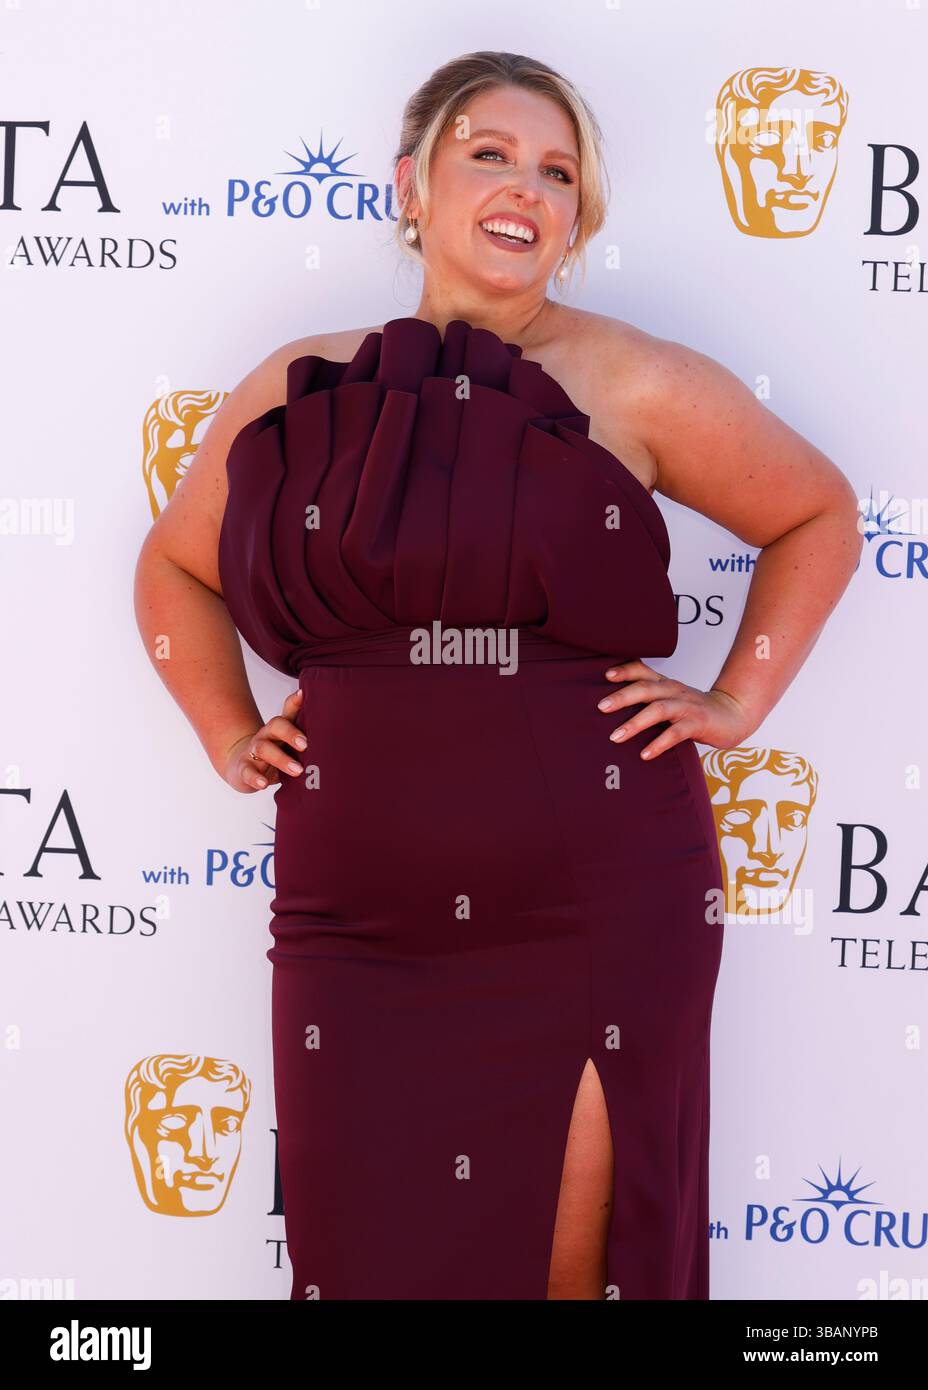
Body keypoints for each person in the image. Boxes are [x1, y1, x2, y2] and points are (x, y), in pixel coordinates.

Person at [134, 51, 862, 1300]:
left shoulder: (632, 378)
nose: (526, 186)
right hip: (347, 923)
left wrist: (735, 702)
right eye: (490, 153)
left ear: (577, 217)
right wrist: (223, 729)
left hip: (587, 908)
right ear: (411, 182)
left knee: (566, 1272)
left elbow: (818, 516)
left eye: (558, 170)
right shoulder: (303, 383)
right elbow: (172, 568)